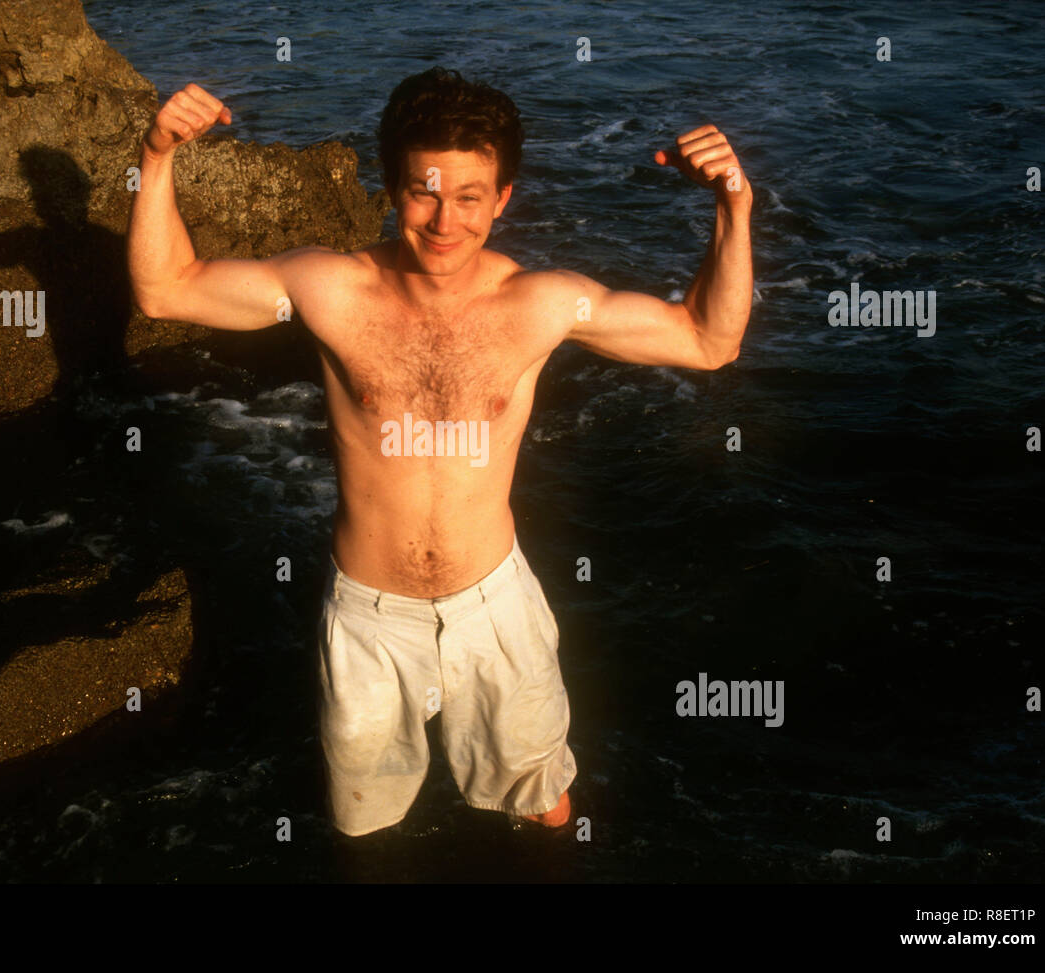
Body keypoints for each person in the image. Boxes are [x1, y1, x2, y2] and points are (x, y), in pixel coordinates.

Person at [126, 67, 752, 837]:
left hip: (495, 608)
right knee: (366, 824)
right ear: (392, 188)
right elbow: (167, 289)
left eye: (469, 197)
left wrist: (733, 202)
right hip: (367, 619)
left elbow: (708, 339)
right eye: (424, 191)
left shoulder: (540, 304)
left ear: (503, 198)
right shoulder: (331, 289)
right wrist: (156, 156)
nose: (445, 220)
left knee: (546, 802)